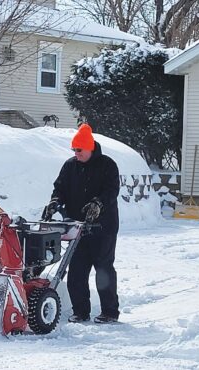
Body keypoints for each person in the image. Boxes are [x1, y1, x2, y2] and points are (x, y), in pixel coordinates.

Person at [41, 123, 120, 324]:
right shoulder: (70, 166)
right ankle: (80, 311)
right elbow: (59, 188)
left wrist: (98, 204)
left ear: (90, 148)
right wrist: (55, 202)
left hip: (103, 227)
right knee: (77, 271)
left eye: (79, 150)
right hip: (77, 227)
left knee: (103, 269)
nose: (76, 153)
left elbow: (111, 191)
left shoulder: (107, 165)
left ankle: (109, 312)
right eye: (74, 150)